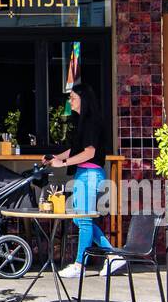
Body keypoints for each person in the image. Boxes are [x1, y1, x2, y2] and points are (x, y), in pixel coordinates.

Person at [48, 82, 120, 280]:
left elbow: (89, 153)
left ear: (83, 100)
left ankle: (80, 264)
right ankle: (113, 254)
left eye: (72, 98)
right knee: (78, 218)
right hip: (82, 174)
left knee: (85, 220)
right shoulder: (82, 122)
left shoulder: (91, 121)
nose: (69, 101)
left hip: (90, 175)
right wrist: (56, 157)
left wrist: (63, 163)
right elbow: (76, 150)